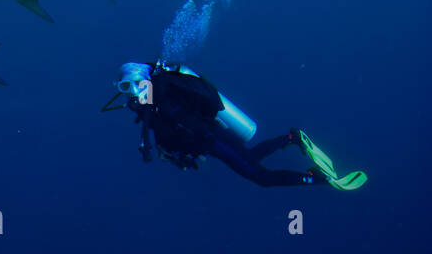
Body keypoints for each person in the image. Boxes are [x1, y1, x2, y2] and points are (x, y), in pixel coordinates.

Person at [105, 60, 366, 190]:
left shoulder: (161, 94)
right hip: (212, 140)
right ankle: (291, 137)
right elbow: (170, 133)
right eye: (124, 89)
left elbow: (178, 127)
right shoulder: (155, 102)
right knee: (251, 159)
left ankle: (316, 178)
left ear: (141, 79)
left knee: (260, 177)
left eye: (131, 86)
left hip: (212, 138)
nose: (130, 94)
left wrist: (180, 147)